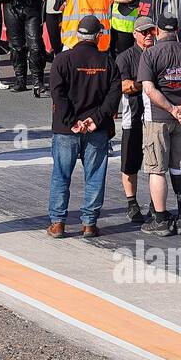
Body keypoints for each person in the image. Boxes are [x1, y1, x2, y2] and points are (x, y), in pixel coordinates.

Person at [43, 15, 121, 239]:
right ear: (98, 37)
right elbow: (113, 96)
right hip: (96, 129)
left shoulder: (62, 60)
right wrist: (94, 119)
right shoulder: (107, 62)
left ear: (77, 35)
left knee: (61, 175)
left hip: (67, 129)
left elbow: (58, 94)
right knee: (95, 175)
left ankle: (58, 223)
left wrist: (72, 121)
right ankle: (89, 224)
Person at [137, 12, 181, 236]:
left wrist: (170, 109)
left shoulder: (150, 54)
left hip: (158, 118)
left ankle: (160, 218)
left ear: (157, 31)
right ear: (178, 30)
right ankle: (179, 212)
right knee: (178, 166)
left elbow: (149, 89)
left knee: (157, 169)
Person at [115, 15, 157, 227]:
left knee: (155, 163)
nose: (148, 35)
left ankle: (154, 203)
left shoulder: (160, 53)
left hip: (156, 119)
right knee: (130, 164)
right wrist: (146, 84)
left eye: (151, 31)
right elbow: (122, 86)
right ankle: (131, 203)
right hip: (133, 118)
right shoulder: (125, 57)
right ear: (135, 35)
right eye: (144, 32)